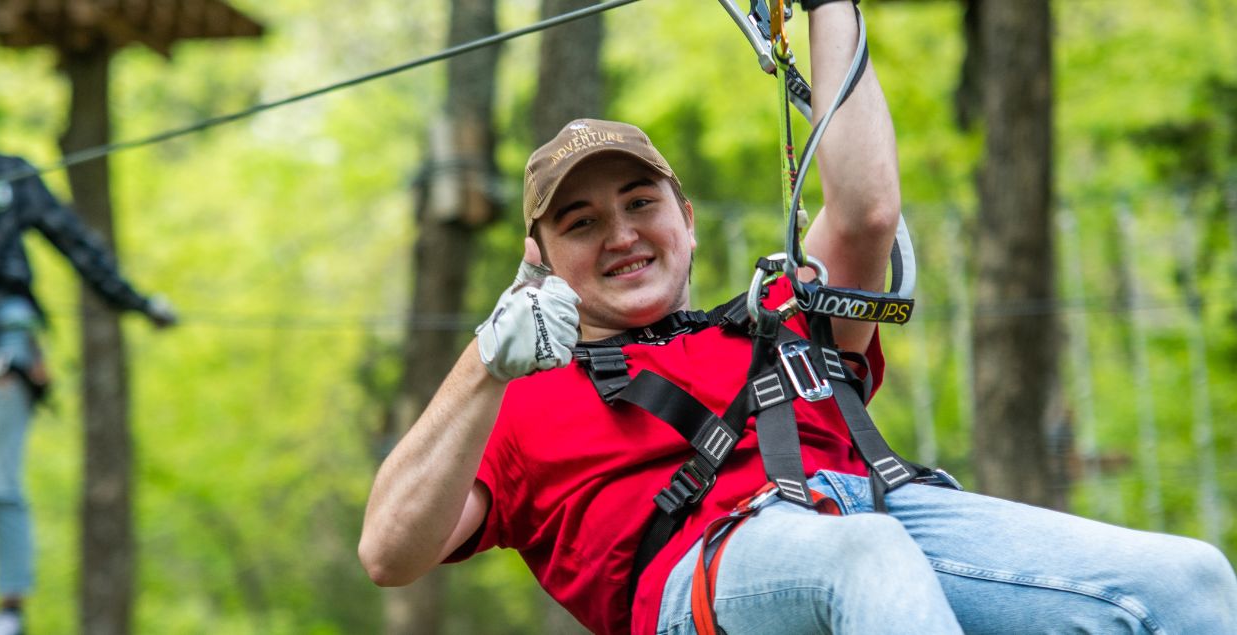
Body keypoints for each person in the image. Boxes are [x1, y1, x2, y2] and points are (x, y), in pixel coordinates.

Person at [359, 2, 1237, 634]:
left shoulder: (773, 319)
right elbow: (388, 552)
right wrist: (485, 361)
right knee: (862, 554)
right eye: (581, 223)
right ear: (541, 256)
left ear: (687, 218)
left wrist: (826, 7)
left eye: (639, 203)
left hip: (873, 514)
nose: (622, 235)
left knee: (1189, 581)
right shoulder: (515, 406)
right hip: (702, 582)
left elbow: (862, 215)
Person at [0, 62, 176, 635]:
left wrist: (137, 303)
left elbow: (77, 244)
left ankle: (9, 612)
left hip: (5, 349)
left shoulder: (13, 179)